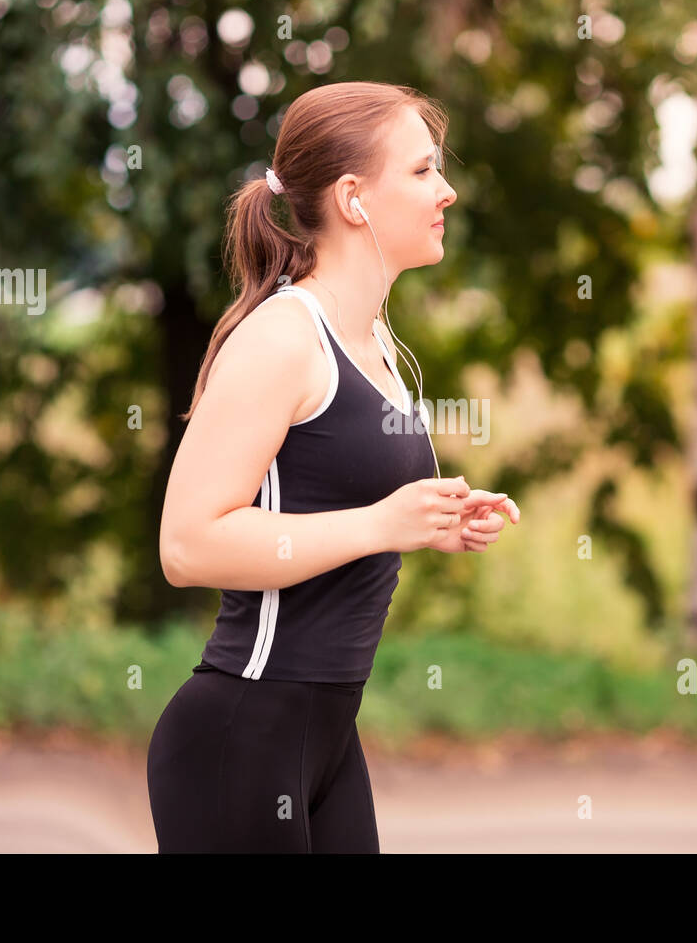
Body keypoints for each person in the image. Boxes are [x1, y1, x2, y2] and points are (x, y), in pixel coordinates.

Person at [147, 81, 520, 853]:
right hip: (241, 735)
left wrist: (429, 522)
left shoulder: (378, 342)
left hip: (327, 739)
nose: (446, 190)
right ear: (354, 199)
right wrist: (380, 523)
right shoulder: (284, 339)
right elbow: (186, 546)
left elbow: (337, 498)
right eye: (422, 171)